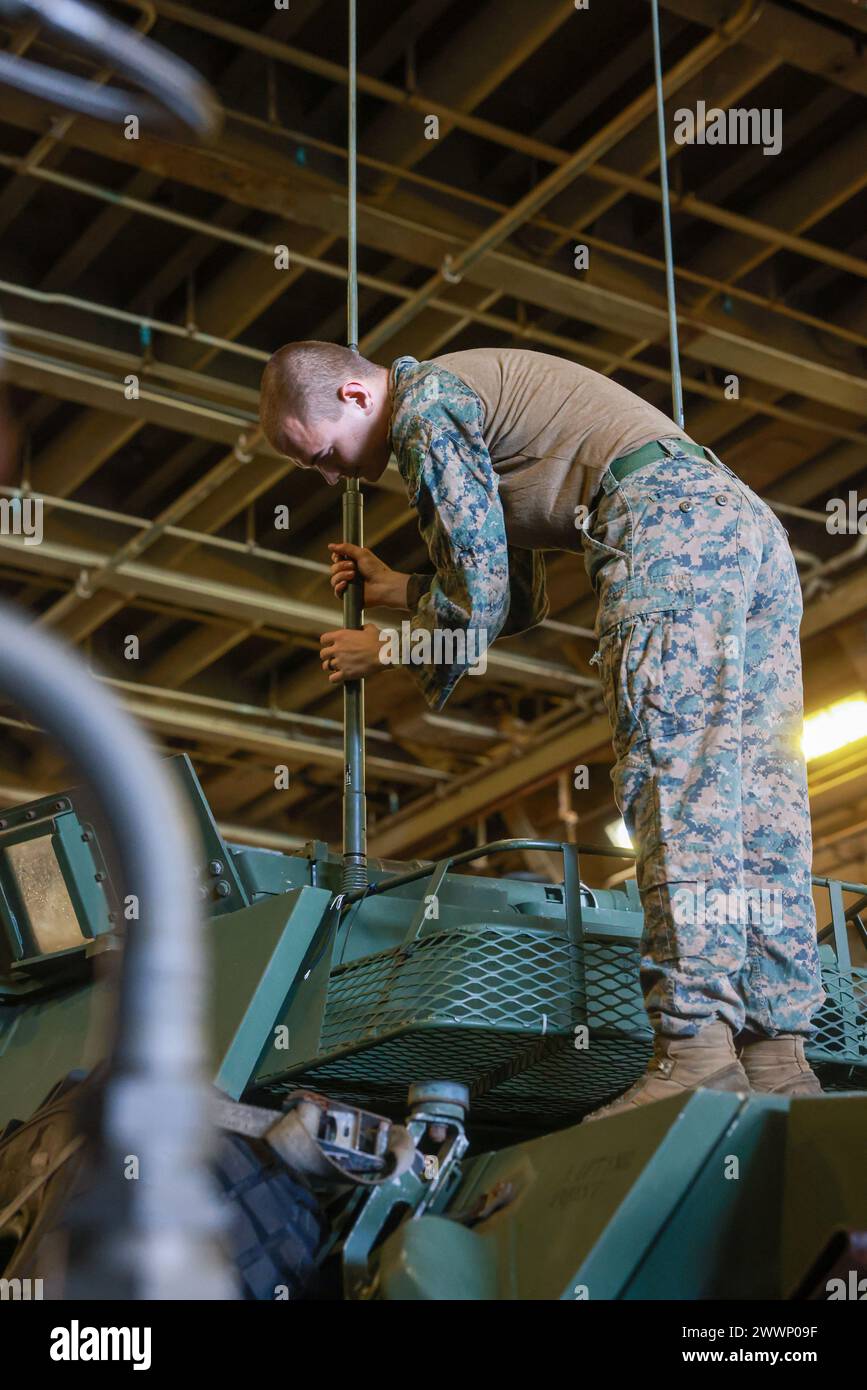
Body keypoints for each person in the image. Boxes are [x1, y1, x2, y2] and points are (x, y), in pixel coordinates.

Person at [258, 340, 825, 1114]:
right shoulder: (477, 402)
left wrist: (388, 645)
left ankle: (694, 1049)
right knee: (760, 804)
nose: (329, 476)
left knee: (679, 788)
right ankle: (776, 1055)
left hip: (668, 539)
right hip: (738, 530)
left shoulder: (424, 412)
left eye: (321, 453)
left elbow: (479, 596)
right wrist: (399, 589)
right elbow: (519, 594)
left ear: (356, 397)